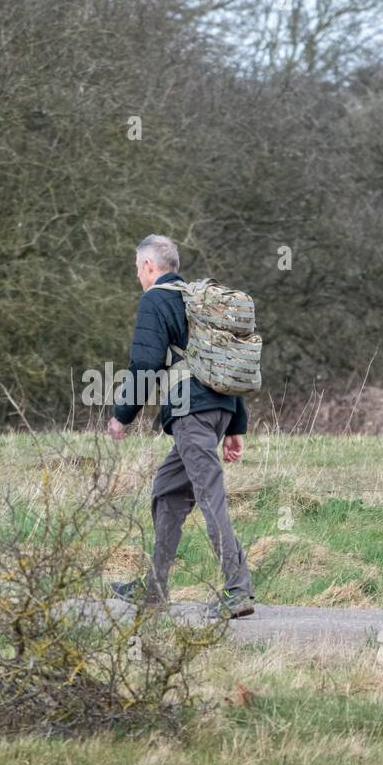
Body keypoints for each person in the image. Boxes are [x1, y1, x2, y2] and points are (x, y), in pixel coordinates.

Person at [107, 234, 255, 619]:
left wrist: (122, 414)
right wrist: (235, 423)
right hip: (218, 407)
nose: (138, 276)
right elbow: (222, 362)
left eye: (138, 269)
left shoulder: (156, 299)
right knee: (168, 492)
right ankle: (154, 588)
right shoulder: (197, 299)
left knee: (209, 495)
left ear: (148, 267)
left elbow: (145, 364)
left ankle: (238, 589)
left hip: (192, 412)